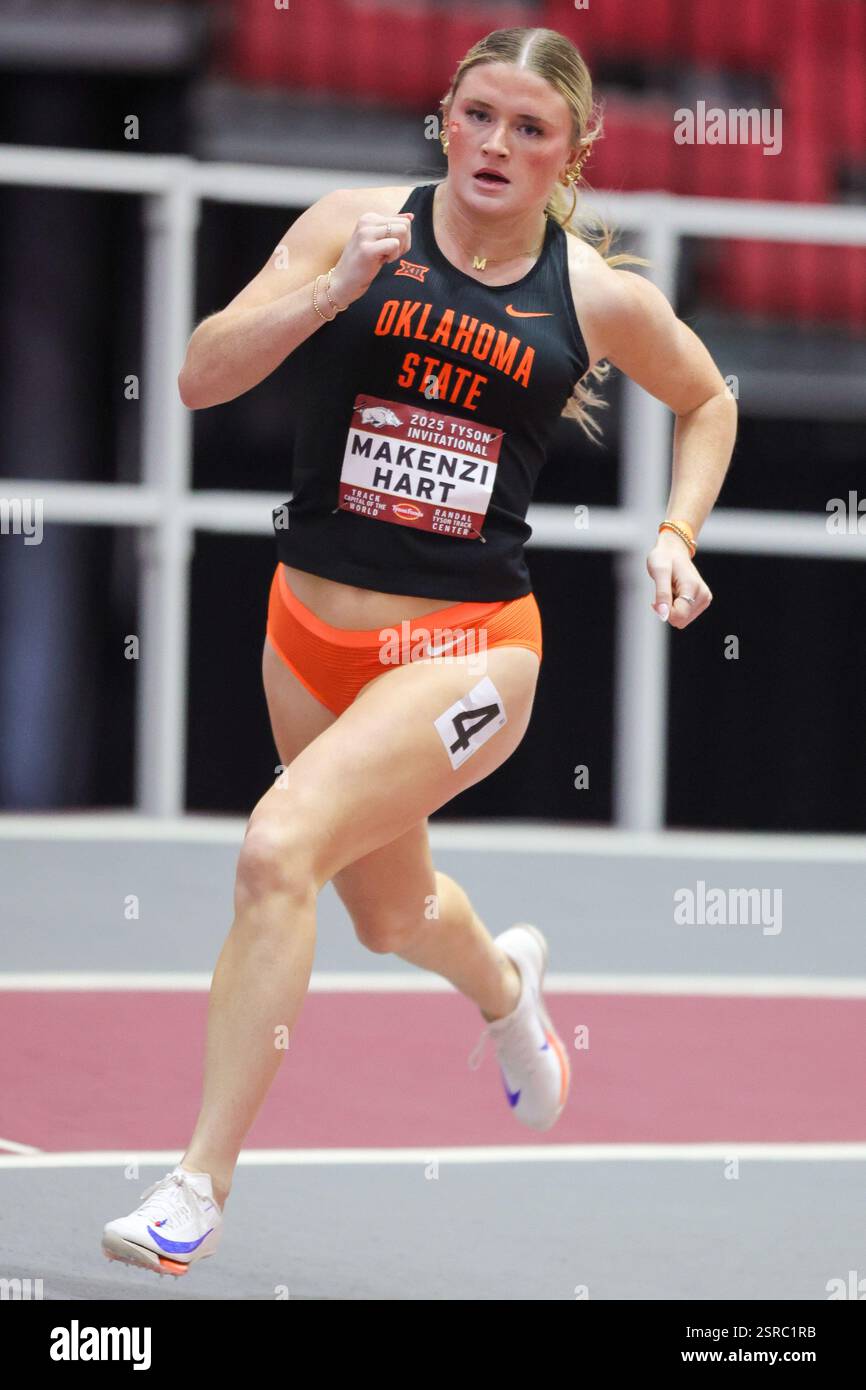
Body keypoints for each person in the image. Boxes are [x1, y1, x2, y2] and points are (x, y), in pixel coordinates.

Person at [102, 25, 735, 1278]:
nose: (496, 145)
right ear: (441, 117)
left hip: (469, 650)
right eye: (477, 115)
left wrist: (675, 530)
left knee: (277, 846)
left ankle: (194, 1185)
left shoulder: (589, 294)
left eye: (529, 129)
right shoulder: (346, 222)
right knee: (390, 916)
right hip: (307, 630)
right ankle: (505, 985)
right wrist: (333, 288)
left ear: (570, 154)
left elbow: (707, 396)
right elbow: (195, 376)